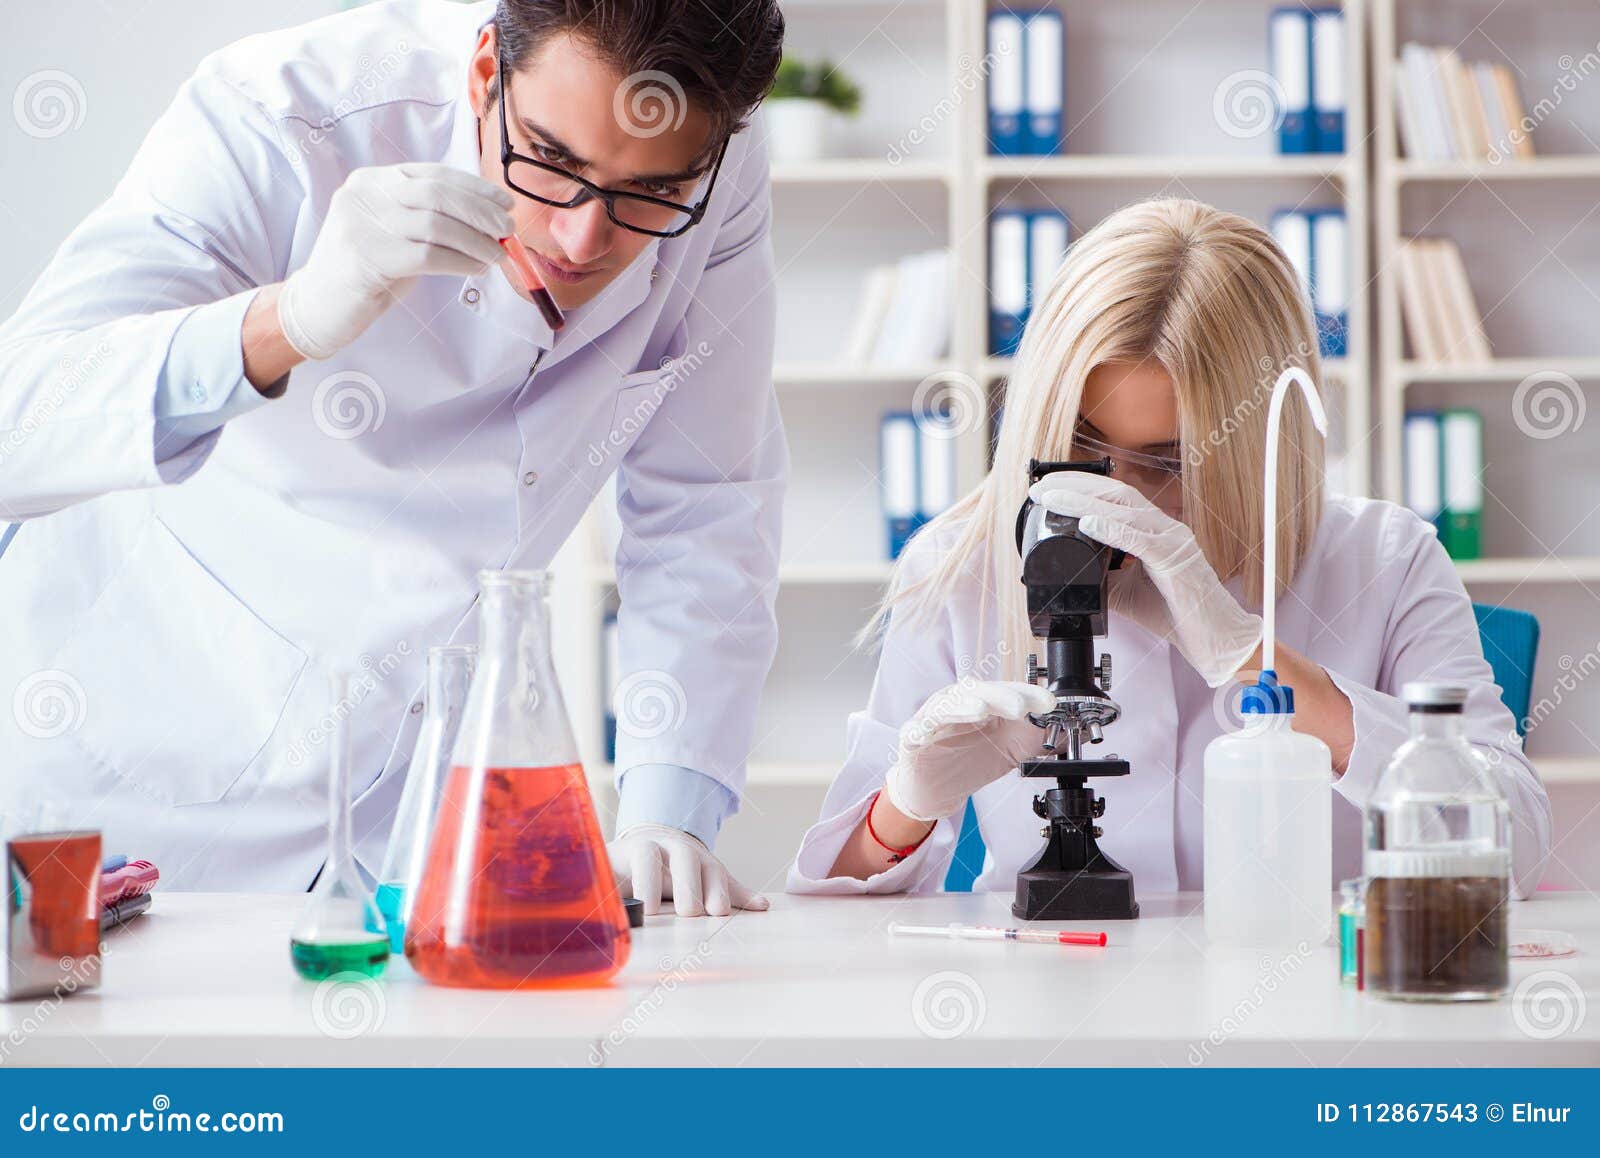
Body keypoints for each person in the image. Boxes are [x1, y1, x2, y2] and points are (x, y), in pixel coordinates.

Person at [0, 0, 785, 915]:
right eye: (552, 162)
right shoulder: (282, 111)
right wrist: (285, 322)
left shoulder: (713, 166)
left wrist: (669, 810)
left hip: (413, 836)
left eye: (648, 193)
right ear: (486, 71)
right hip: (130, 789)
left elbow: (706, 497)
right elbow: (21, 421)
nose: (581, 240)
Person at [788, 198, 1552, 901]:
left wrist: (1259, 658)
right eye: (1083, 445)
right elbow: (835, 915)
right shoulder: (960, 565)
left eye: (1168, 463)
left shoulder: (1383, 559)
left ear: (1263, 441)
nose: (1114, 498)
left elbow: (1514, 845)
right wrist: (906, 804)